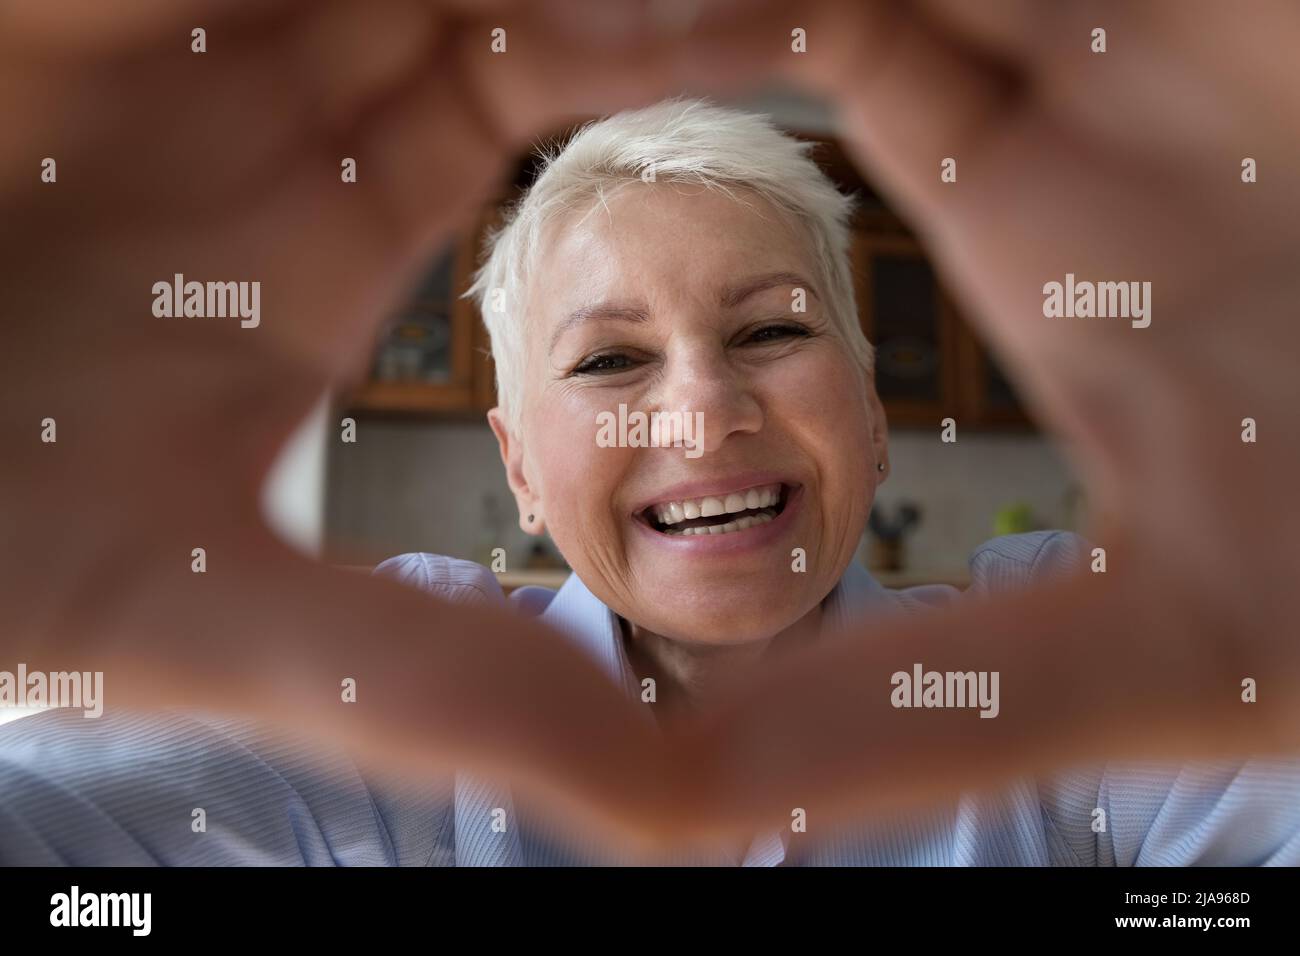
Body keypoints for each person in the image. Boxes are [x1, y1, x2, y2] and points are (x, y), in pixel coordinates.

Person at [1, 0, 1297, 854]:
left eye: (774, 331)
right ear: (517, 466)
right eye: (612, 358)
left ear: (874, 415)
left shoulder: (1063, 720)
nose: (705, 407)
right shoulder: (373, 760)